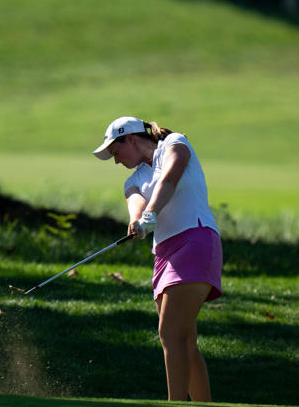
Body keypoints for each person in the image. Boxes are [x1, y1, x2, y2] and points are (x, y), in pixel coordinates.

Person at [93, 116, 223, 402]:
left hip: (195, 239)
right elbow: (135, 203)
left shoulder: (175, 144)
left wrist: (151, 212)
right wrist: (137, 221)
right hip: (164, 254)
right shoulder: (133, 179)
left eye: (115, 152)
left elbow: (170, 177)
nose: (115, 161)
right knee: (185, 342)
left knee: (169, 334)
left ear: (130, 138)